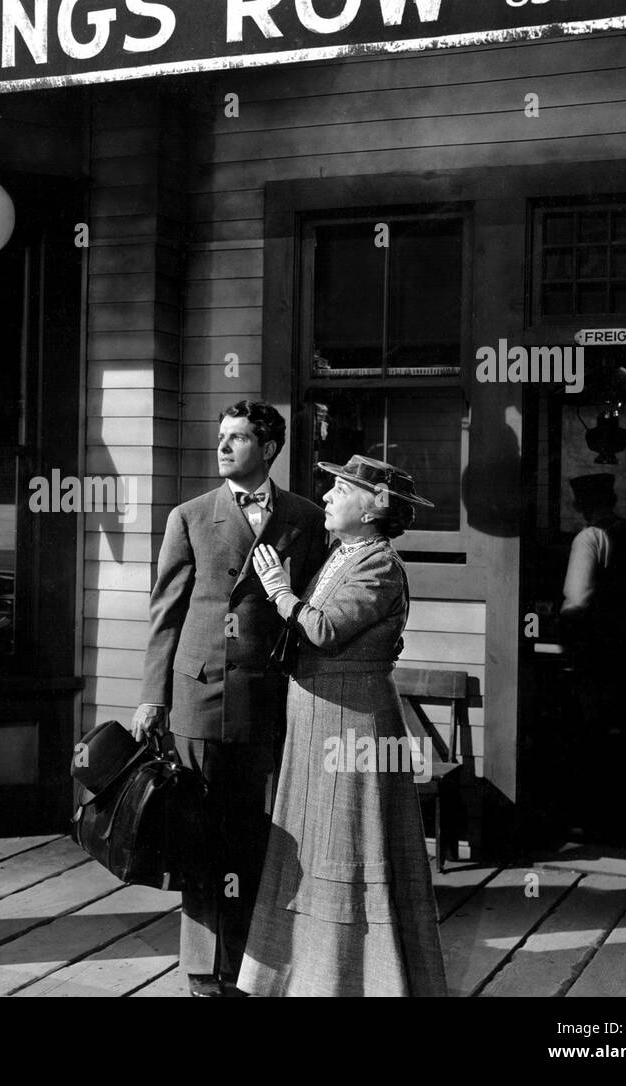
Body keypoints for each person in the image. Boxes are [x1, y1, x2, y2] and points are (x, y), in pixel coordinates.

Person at [130, 400, 328, 997]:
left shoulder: (305, 517)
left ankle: (246, 961)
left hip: (266, 701)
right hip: (199, 697)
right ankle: (200, 969)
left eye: (238, 438)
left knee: (252, 831)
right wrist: (151, 697)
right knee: (197, 832)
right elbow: (165, 613)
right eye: (221, 437)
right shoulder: (190, 516)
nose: (223, 447)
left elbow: (309, 612)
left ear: (269, 449)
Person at [237, 454, 448, 998]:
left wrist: (280, 591)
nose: (327, 496)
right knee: (312, 842)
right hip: (319, 714)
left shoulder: (378, 565)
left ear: (374, 508)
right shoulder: (345, 554)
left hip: (351, 723)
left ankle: (360, 983)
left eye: (339, 489)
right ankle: (308, 978)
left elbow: (324, 629)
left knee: (348, 843)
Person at [559, 472, 626, 846]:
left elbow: (578, 600)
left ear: (581, 504)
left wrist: (565, 634)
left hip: (596, 657)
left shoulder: (590, 538)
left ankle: (598, 827)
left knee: (593, 739)